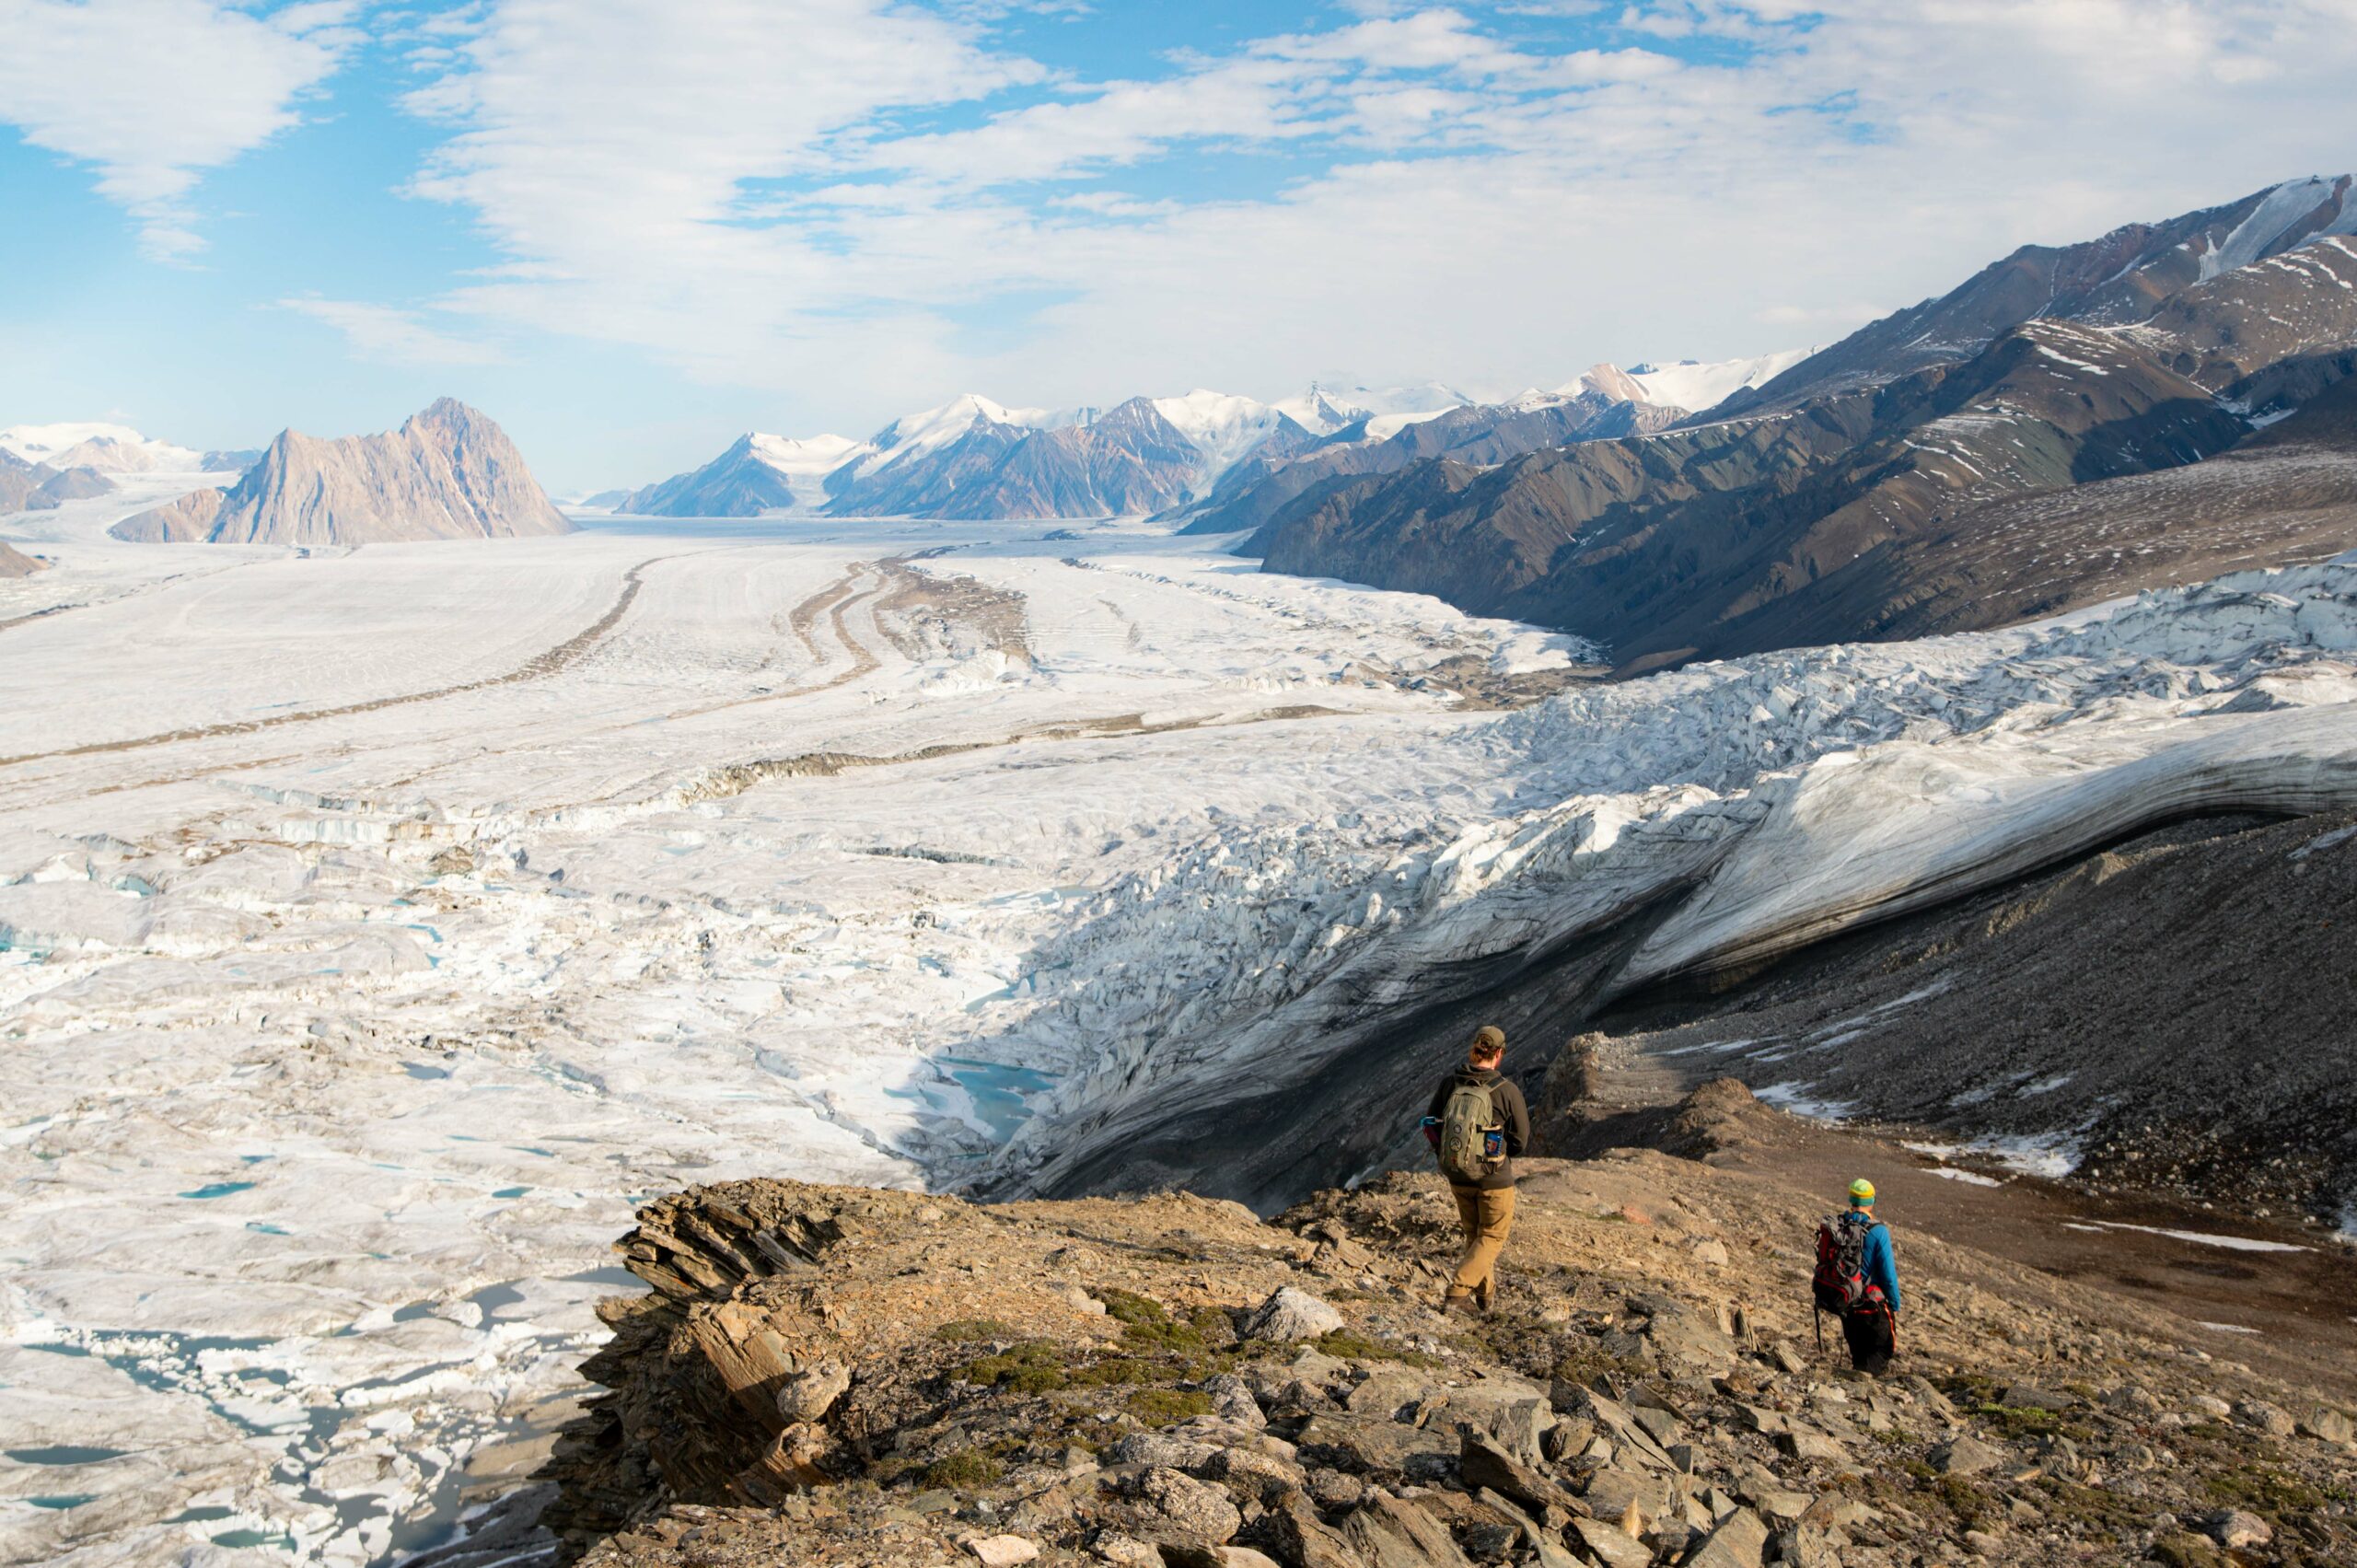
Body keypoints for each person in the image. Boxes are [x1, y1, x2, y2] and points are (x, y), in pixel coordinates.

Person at [1423, 1025, 1530, 1314]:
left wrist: (1448, 1155)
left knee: (1476, 1237)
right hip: (1493, 1178)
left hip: (1457, 1174)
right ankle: (1457, 1293)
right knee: (1492, 1236)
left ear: (1474, 1049)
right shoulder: (1506, 1091)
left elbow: (1430, 1124)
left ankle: (1486, 1298)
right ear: (1499, 1054)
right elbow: (1520, 1141)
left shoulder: (1450, 1084)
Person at [1840, 1177, 1901, 1374]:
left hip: (1848, 1303)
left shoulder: (1840, 1224)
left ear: (1852, 1199)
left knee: (1859, 1355)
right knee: (1880, 1352)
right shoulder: (1878, 1231)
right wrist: (1895, 1303)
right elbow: (1888, 1274)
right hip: (1871, 1307)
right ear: (1872, 1201)